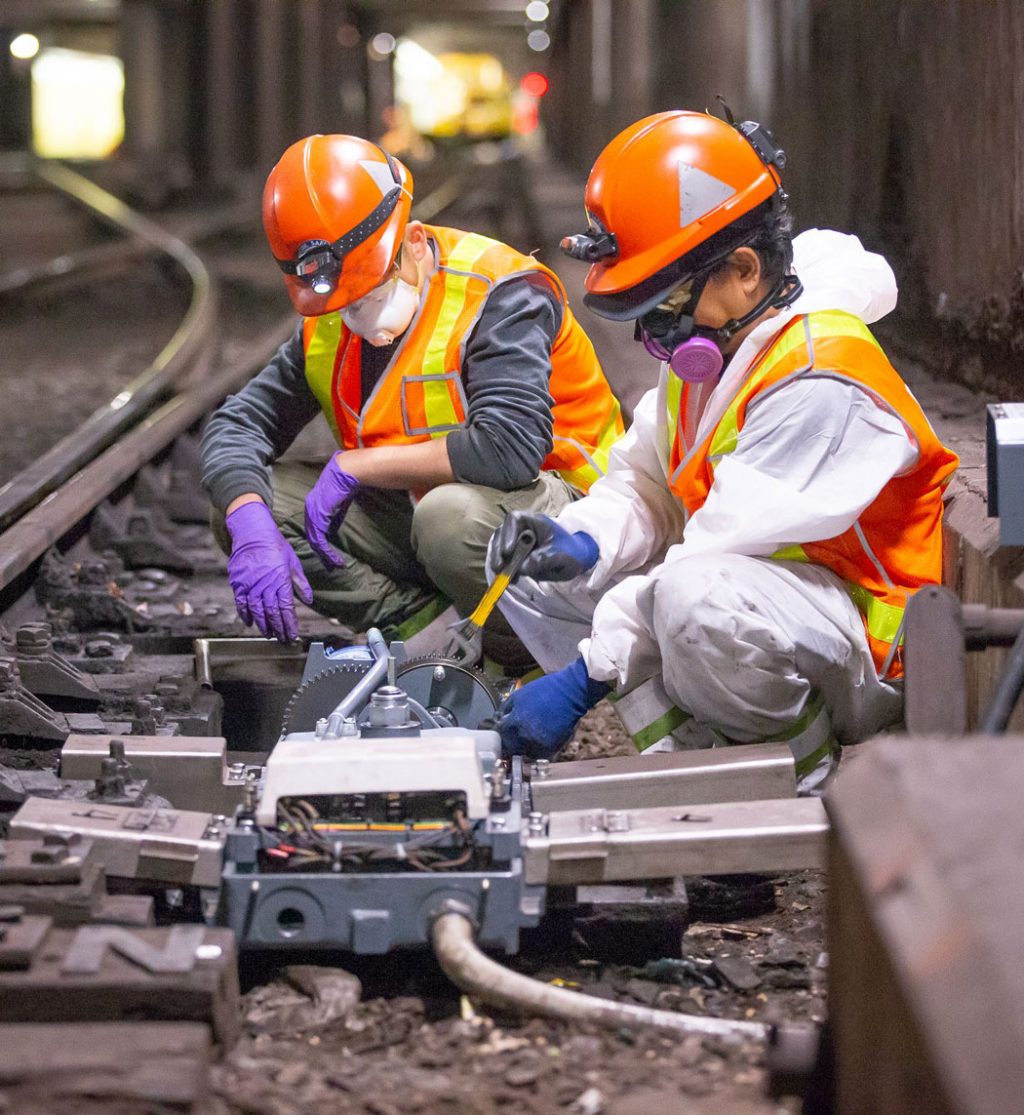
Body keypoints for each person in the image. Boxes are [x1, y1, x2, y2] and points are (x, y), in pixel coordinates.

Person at [490, 110, 959, 791]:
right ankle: (694, 762)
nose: (654, 335)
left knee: (692, 598)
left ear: (743, 269)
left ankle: (792, 780)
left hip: (859, 639)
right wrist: (582, 540)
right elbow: (647, 478)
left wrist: (585, 676)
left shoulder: (819, 377)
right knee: (536, 574)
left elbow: (709, 553)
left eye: (664, 305)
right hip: (763, 602)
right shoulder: (715, 347)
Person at [199, 134, 623, 663]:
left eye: (372, 289)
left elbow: (510, 450)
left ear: (414, 242)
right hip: (435, 515)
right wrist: (247, 519)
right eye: (347, 300)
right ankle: (431, 639)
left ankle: (533, 658)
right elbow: (239, 424)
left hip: (573, 524)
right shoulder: (330, 320)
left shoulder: (500, 292)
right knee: (252, 500)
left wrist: (357, 466)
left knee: (449, 520)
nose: (361, 313)